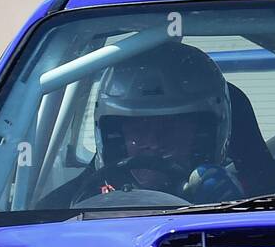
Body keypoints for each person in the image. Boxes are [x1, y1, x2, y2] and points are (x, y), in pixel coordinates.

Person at [40, 40, 243, 209]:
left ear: (203, 134)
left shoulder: (254, 204)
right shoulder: (64, 208)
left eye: (170, 128)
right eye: (139, 128)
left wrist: (233, 211)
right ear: (115, 136)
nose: (153, 142)